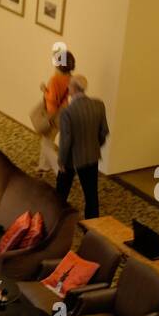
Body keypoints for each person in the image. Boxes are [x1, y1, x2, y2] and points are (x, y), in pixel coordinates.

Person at [55, 75, 109, 220]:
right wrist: (95, 145)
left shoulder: (67, 112)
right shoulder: (99, 105)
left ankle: (57, 220)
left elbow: (65, 141)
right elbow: (104, 131)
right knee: (91, 194)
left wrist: (61, 161)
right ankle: (92, 227)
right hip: (91, 156)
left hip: (71, 158)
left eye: (69, 87)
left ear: (73, 89)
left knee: (61, 194)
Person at [36, 48, 75, 175]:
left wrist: (44, 89)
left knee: (46, 143)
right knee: (48, 139)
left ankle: (59, 169)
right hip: (64, 111)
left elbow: (52, 99)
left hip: (53, 114)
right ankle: (44, 166)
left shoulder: (54, 79)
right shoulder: (70, 78)